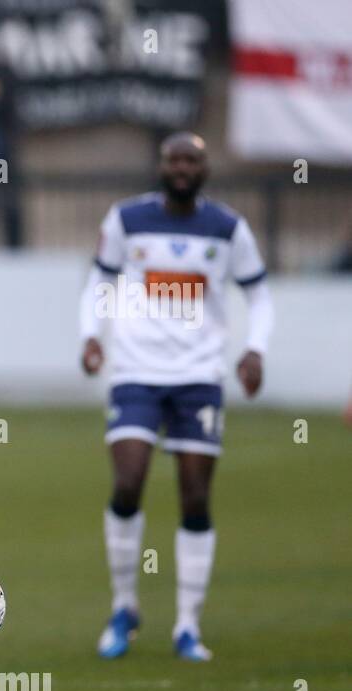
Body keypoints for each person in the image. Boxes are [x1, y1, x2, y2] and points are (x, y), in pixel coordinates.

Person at [79, 132, 275, 662]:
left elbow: (258, 295)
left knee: (194, 496)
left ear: (205, 168)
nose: (182, 167)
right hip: (136, 372)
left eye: (192, 160)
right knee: (128, 481)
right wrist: (92, 335)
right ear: (161, 166)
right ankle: (125, 607)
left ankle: (187, 625)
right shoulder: (126, 220)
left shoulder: (228, 228)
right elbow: (100, 279)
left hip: (199, 376)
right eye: (174, 160)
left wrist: (254, 349)